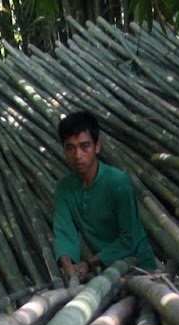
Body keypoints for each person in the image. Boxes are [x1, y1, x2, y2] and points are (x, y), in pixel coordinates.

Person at [52, 111, 158, 283]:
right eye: (70, 148)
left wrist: (89, 263)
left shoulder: (118, 183)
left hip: (139, 268)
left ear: (97, 147)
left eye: (84, 146)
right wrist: (68, 265)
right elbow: (64, 232)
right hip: (109, 273)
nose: (78, 155)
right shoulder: (64, 188)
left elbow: (128, 238)